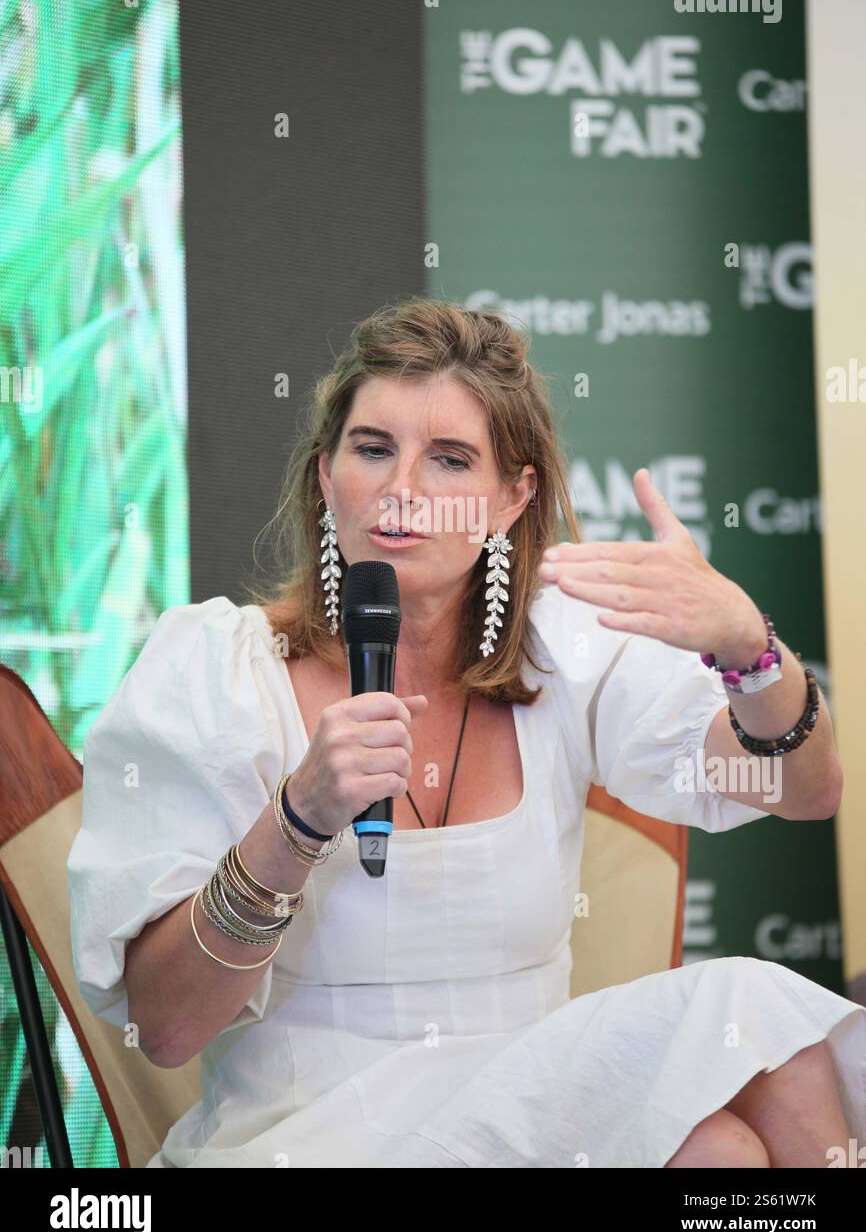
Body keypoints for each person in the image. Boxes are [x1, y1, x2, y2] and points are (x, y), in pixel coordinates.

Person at [67, 297, 866, 1168]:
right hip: (306, 1135)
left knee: (739, 1103)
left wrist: (748, 648)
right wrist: (295, 823)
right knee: (715, 1137)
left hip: (529, 1109)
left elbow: (805, 789)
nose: (402, 491)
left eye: (449, 460)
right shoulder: (213, 671)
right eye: (373, 449)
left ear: (512, 498)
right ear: (328, 477)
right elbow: (168, 1027)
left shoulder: (566, 651)